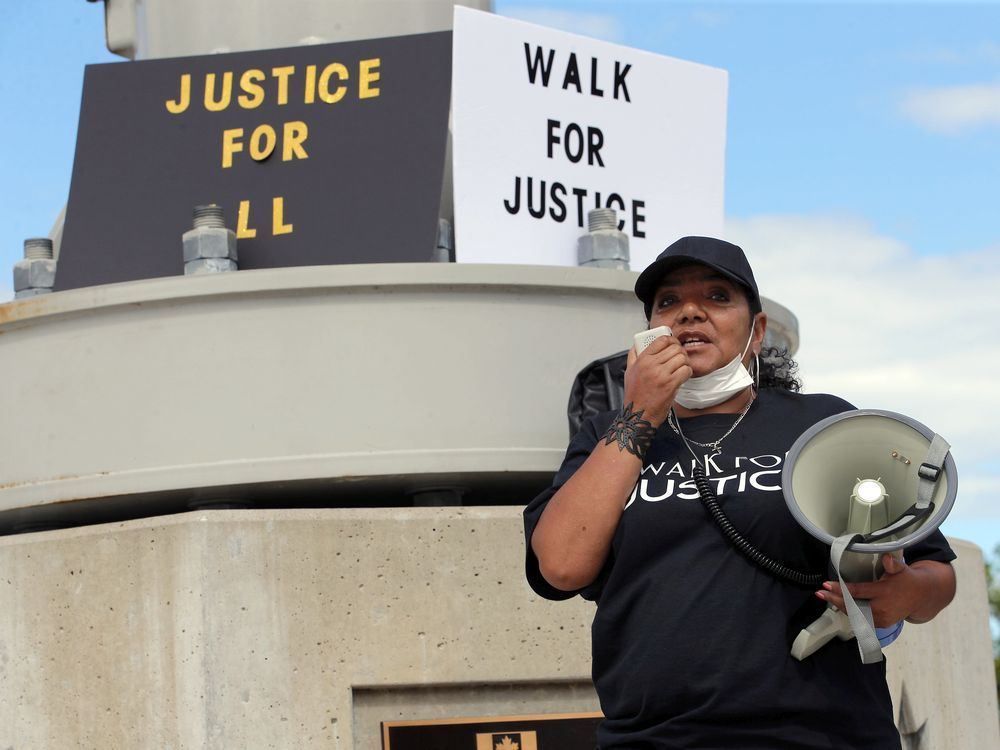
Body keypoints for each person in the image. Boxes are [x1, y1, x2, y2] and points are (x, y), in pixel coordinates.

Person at [523, 236, 956, 749]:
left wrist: (905, 593)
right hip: (652, 739)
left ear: (756, 334)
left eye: (717, 297)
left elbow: (934, 572)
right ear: (646, 335)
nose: (689, 313)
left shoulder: (818, 422)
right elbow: (561, 565)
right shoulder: (605, 435)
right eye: (668, 302)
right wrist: (638, 417)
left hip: (821, 735)